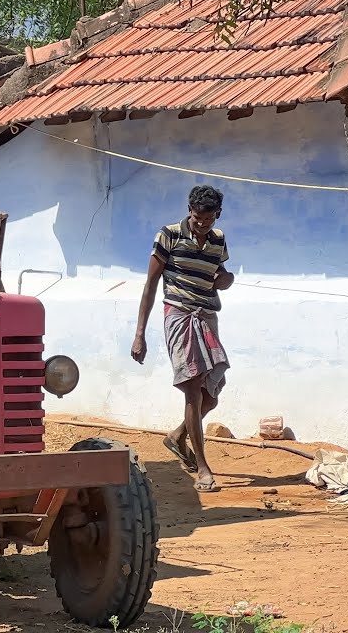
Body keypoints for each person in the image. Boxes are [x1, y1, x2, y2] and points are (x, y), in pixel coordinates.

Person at [132, 184, 235, 492]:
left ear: (217, 215)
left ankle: (178, 435)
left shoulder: (218, 240)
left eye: (209, 218)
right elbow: (151, 285)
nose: (202, 224)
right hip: (178, 316)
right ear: (190, 211)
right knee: (192, 389)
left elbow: (222, 274)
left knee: (211, 394)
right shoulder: (169, 235)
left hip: (207, 317)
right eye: (198, 217)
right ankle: (202, 468)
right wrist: (139, 335)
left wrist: (227, 280)